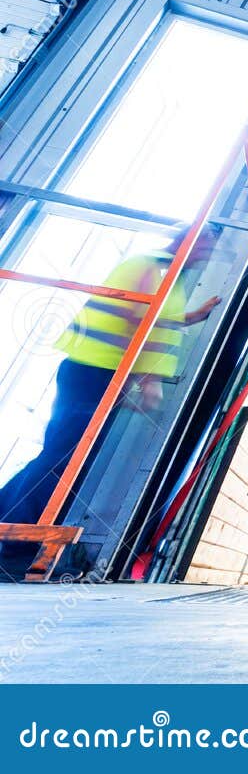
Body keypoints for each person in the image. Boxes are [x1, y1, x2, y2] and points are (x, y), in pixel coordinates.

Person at [0, 225, 223, 578]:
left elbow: (156, 318)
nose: (206, 256)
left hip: (99, 373)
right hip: (92, 371)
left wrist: (191, 317)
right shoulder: (151, 267)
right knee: (63, 457)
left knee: (62, 453)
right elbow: (139, 320)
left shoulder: (164, 273)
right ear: (187, 241)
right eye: (205, 248)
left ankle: (9, 519)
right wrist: (147, 381)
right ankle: (15, 539)